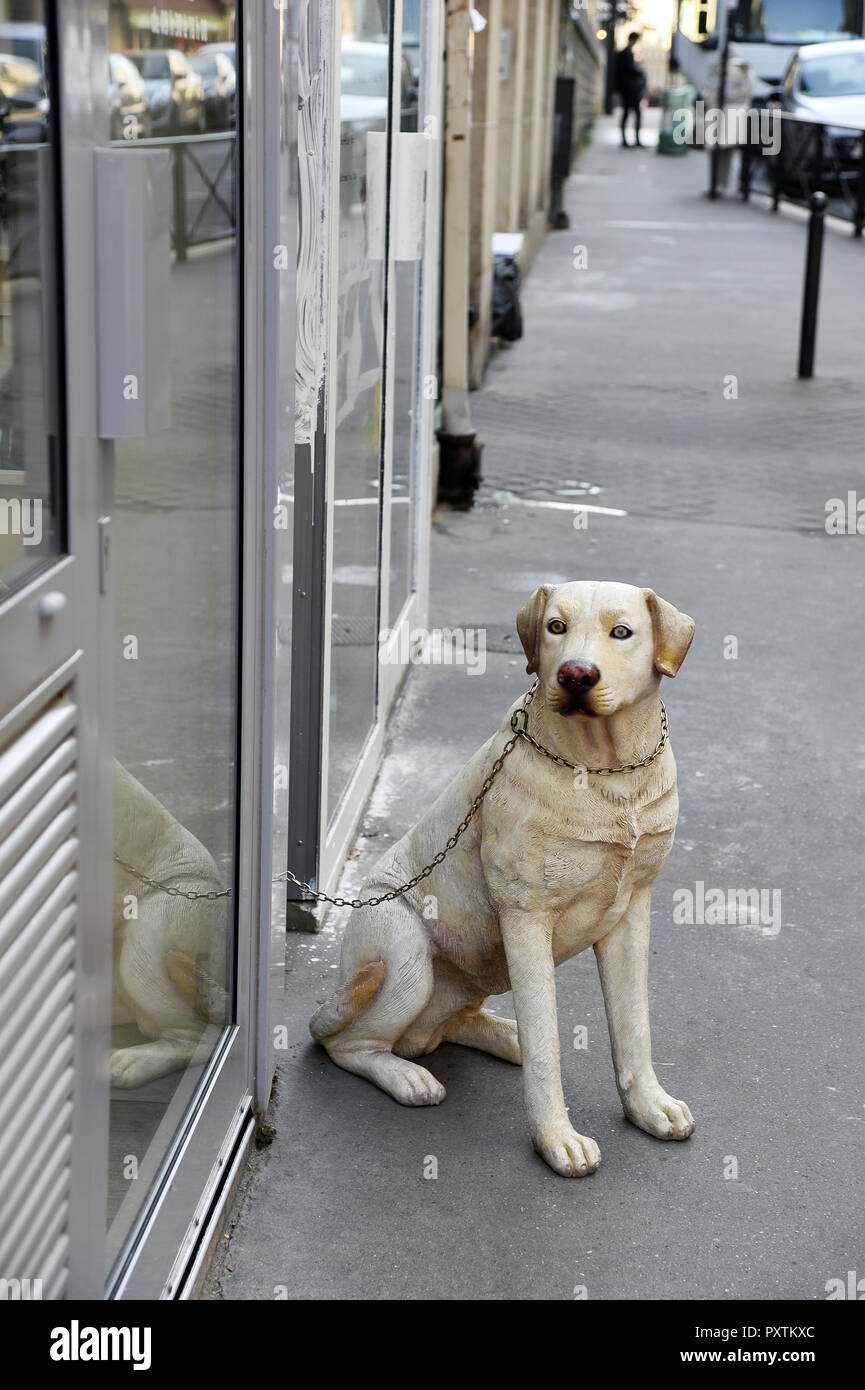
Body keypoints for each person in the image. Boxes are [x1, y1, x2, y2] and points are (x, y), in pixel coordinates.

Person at [615, 31, 647, 148]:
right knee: (634, 114)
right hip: (630, 90)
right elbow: (629, 70)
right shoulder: (626, 53)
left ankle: (627, 139)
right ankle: (634, 140)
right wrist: (640, 71)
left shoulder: (625, 53)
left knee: (627, 113)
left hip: (627, 89)